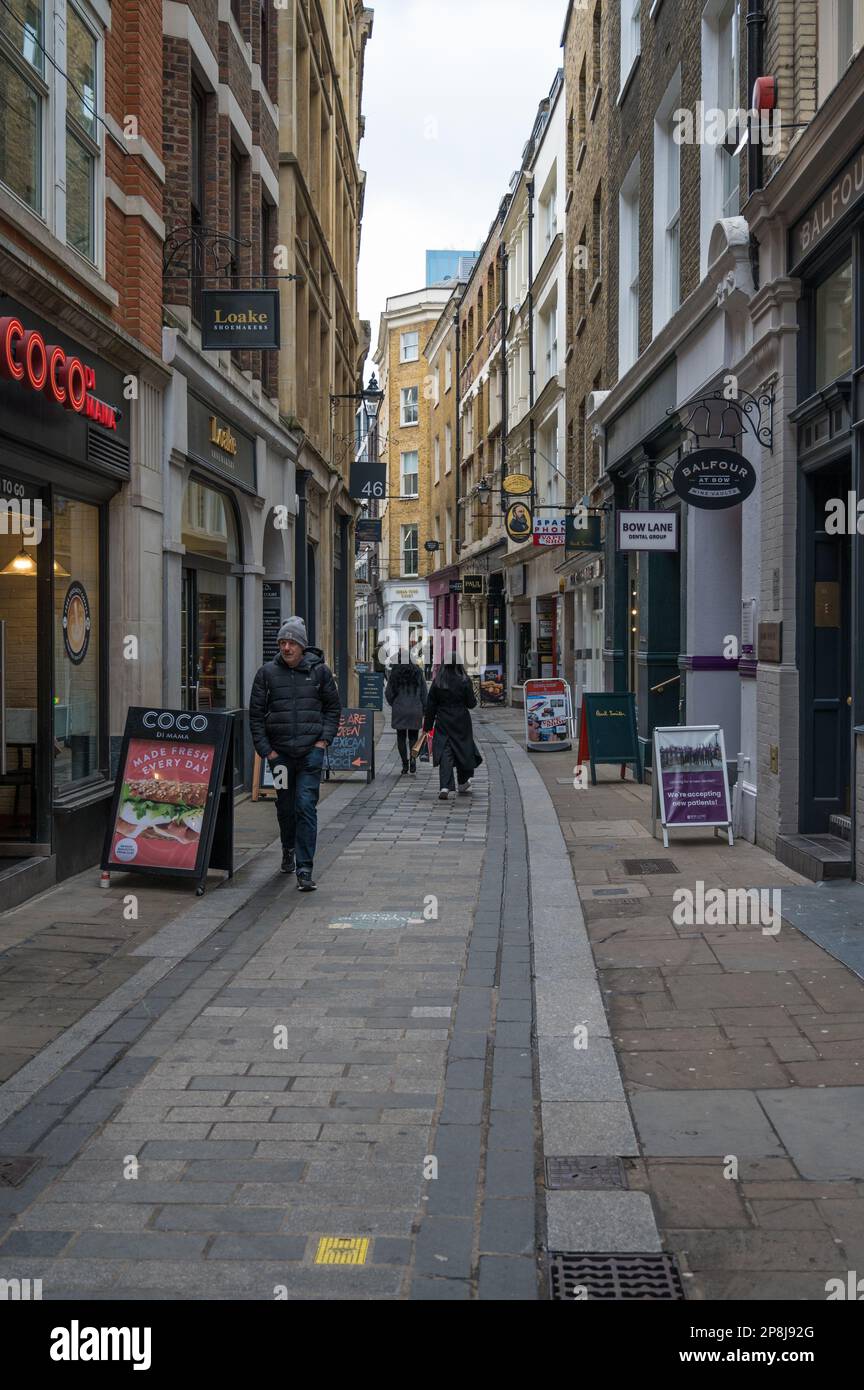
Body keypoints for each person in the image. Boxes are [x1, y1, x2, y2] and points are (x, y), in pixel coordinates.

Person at [249, 618, 341, 891]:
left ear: (302, 646)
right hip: (280, 757)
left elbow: (333, 709)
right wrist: (268, 752)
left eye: (291, 643)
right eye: (282, 642)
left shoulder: (320, 673)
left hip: (310, 754)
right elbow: (255, 716)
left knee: (305, 806)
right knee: (285, 807)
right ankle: (288, 847)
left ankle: (305, 868)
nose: (286, 647)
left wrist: (323, 741)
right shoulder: (266, 674)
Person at [422, 654, 483, 801]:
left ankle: (445, 785)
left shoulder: (438, 681)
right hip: (461, 720)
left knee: (445, 751)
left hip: (443, 720)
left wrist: (427, 726)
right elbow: (471, 704)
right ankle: (463, 781)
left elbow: (430, 706)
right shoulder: (464, 681)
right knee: (463, 749)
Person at [385, 651, 427, 776]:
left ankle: (405, 764)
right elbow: (424, 692)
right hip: (415, 708)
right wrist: (424, 708)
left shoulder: (395, 673)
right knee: (413, 736)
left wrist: (395, 703)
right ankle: (413, 759)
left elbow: (388, 693)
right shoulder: (418, 672)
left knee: (401, 737)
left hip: (400, 708)